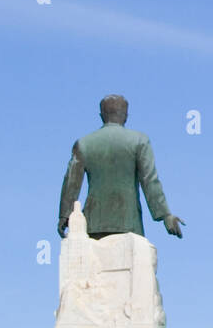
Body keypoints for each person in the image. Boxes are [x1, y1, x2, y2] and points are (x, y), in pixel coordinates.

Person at [57, 94, 184, 240]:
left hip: (94, 224)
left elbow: (71, 184)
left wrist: (65, 215)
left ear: (101, 116)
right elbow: (150, 181)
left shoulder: (83, 144)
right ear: (126, 116)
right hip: (129, 223)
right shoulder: (139, 141)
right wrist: (165, 215)